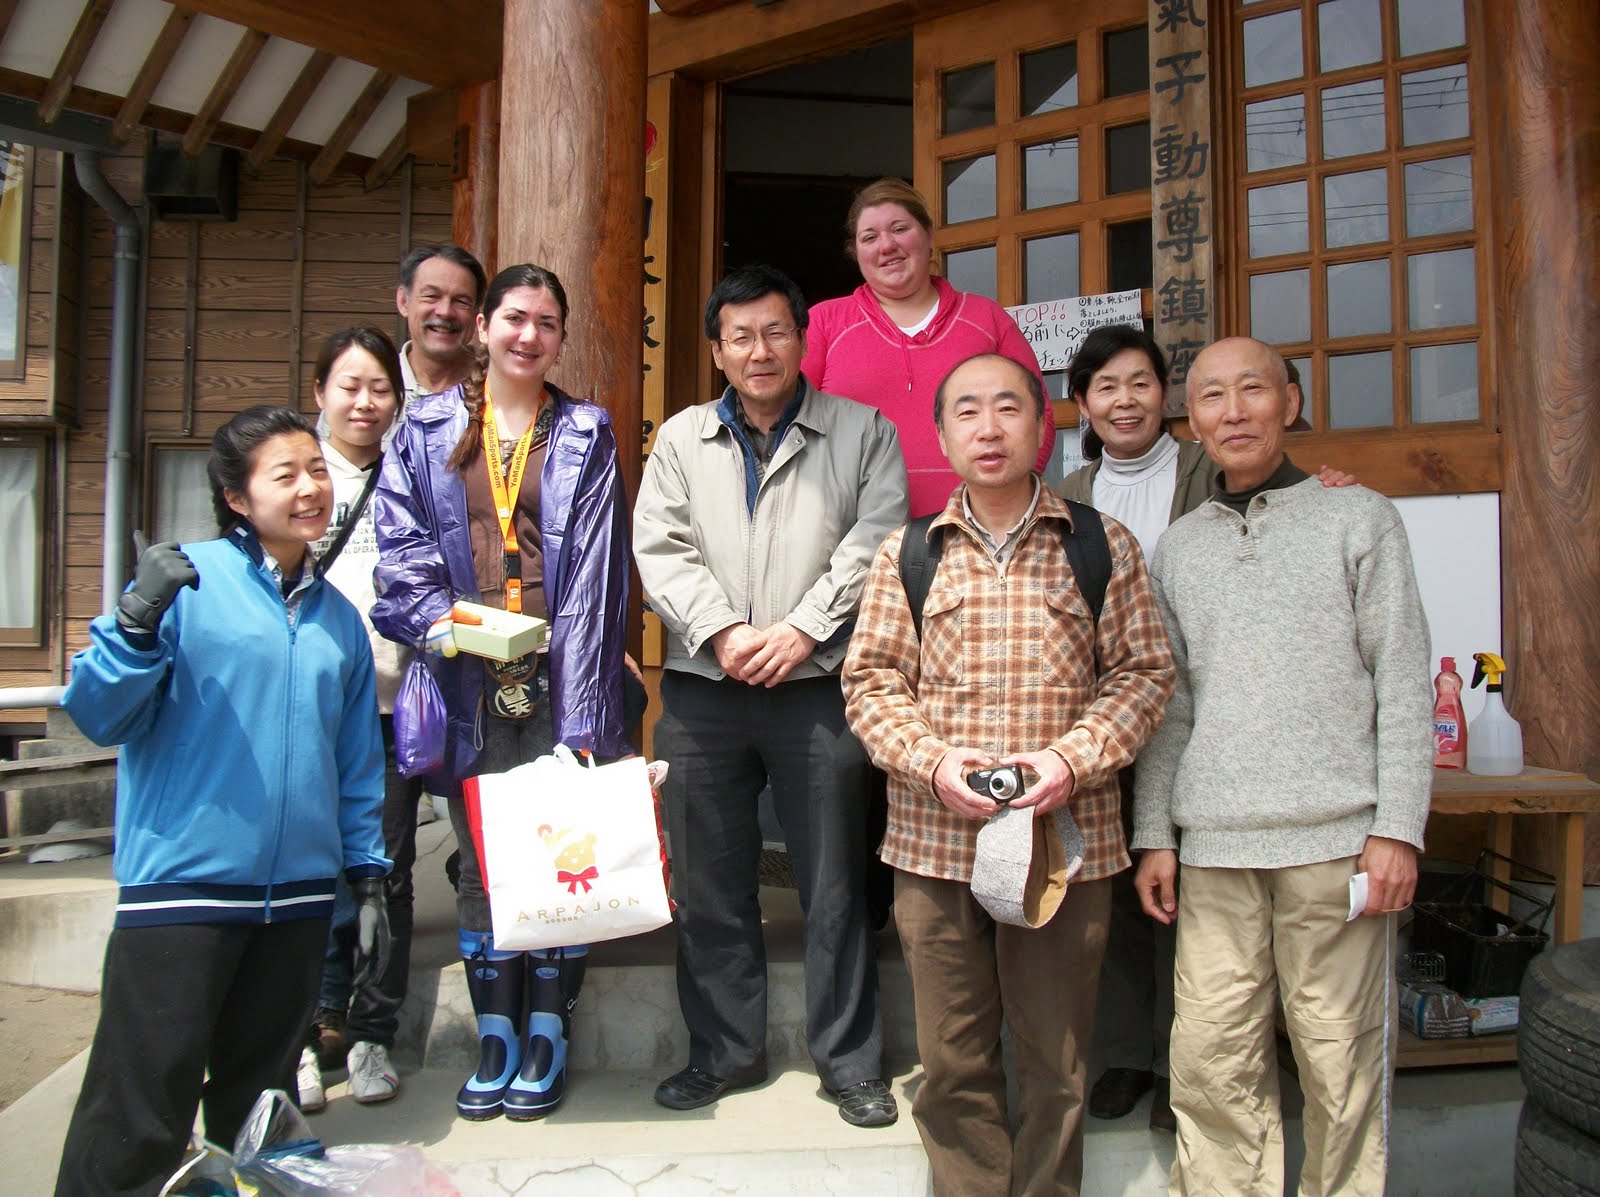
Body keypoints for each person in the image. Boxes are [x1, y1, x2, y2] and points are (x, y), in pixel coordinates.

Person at [842, 352, 1174, 1196]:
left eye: (1007, 408)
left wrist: (1070, 759)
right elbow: (871, 681)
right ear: (941, 434)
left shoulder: (1100, 544)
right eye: (967, 411)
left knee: (1057, 1062)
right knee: (952, 1064)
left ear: (1042, 426)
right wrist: (934, 762)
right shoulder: (907, 551)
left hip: (1065, 844)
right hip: (935, 844)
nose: (988, 429)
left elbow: (1143, 674)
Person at [54, 407, 388, 1197]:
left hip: (298, 899)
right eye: (286, 474)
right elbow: (98, 713)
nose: (310, 488)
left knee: (259, 1106)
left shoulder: (340, 619)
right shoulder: (185, 583)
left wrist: (367, 871)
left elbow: (355, 761)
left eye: (317, 470)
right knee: (141, 1104)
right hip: (183, 889)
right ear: (237, 497)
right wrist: (135, 622)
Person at [1133, 337, 1432, 1197]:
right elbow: (1171, 706)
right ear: (1193, 422)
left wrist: (1398, 829)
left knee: (1340, 1057)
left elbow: (1403, 680)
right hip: (1216, 848)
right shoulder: (1178, 547)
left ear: (1290, 403)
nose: (1233, 411)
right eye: (1212, 396)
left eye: (1252, 390)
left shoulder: (1358, 517)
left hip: (1337, 844)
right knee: (1211, 1057)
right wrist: (1156, 834)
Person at [634, 264, 908, 1127]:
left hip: (817, 684)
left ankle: (850, 1063)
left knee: (835, 881)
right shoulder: (681, 439)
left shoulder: (863, 431)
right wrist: (721, 631)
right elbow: (660, 545)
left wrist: (803, 629)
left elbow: (879, 538)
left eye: (776, 331)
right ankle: (724, 1052)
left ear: (802, 338)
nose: (760, 350)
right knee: (709, 879)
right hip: (703, 687)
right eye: (740, 336)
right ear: (717, 350)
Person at [1059, 326, 1353, 1132]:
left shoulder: (1209, 466)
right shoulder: (1069, 490)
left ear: (1168, 397)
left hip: (1200, 711)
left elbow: (1282, 509)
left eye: (1141, 382)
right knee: (1116, 887)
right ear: (1082, 403)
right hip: (1101, 716)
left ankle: (1180, 1061)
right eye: (1105, 386)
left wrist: (1327, 487)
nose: (1125, 400)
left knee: (1187, 889)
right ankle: (1125, 1051)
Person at [370, 263, 631, 1123]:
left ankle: (548, 1026)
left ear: (560, 339)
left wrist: (586, 713)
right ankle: (496, 1033)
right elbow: (400, 552)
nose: (529, 335)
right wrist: (450, 625)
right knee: (482, 858)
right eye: (515, 317)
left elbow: (597, 580)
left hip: (560, 674)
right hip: (467, 674)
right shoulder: (425, 428)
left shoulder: (586, 432)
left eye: (547, 323)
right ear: (483, 326)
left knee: (563, 850)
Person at [295, 328, 411, 1113]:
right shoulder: (299, 474)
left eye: (380, 388)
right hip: (312, 710)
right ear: (320, 393)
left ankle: (372, 1033)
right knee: (311, 871)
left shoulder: (414, 471)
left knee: (386, 873)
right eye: (349, 385)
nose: (365, 402)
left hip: (396, 707)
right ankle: (308, 1033)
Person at [801, 177, 1053, 519]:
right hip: (852, 534)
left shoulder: (986, 318)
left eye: (900, 229)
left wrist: (1003, 505)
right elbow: (788, 427)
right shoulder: (823, 323)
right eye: (869, 237)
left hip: (973, 532)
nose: (886, 245)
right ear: (855, 251)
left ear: (929, 235)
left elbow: (1038, 415)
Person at [395, 243, 488, 401]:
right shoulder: (378, 382)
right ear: (404, 301)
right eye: (431, 296)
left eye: (461, 301)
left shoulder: (497, 385)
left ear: (476, 313)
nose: (445, 312)